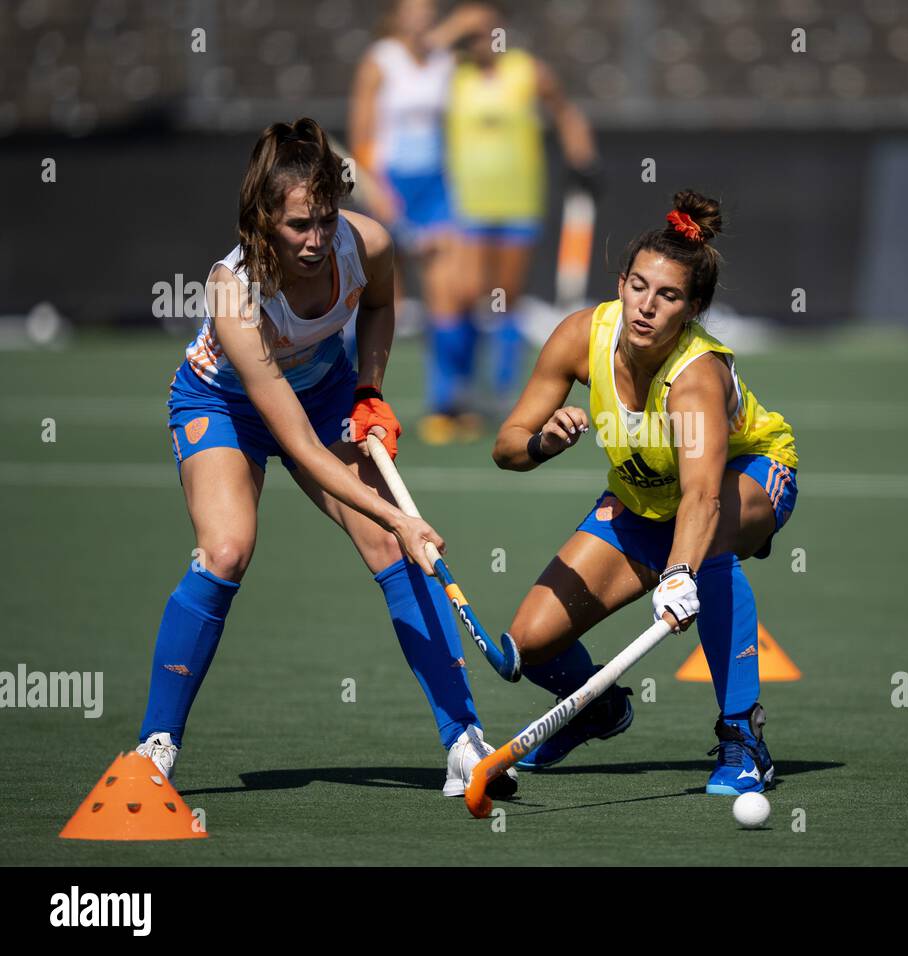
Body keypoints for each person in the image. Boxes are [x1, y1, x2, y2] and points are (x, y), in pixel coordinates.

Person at [136, 117, 515, 800]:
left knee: (390, 552)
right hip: (225, 404)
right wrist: (400, 515)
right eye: (298, 226)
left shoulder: (365, 242)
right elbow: (303, 449)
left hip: (325, 387)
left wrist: (370, 387)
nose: (315, 241)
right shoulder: (234, 292)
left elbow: (379, 305)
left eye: (324, 220)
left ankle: (463, 742)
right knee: (225, 551)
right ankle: (155, 746)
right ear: (262, 220)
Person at [490, 191, 798, 796]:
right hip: (645, 500)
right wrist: (541, 446)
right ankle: (596, 708)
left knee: (707, 551)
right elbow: (506, 445)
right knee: (529, 644)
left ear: (694, 307)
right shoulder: (582, 337)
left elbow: (704, 497)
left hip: (750, 478)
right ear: (621, 282)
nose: (646, 307)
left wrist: (678, 572)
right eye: (637, 286)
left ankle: (744, 737)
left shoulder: (695, 377)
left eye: (668, 296)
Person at [424, 0, 600, 444]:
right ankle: (454, 396)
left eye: (485, 30)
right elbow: (421, 50)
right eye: (470, 33)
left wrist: (581, 154)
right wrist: (457, 27)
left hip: (517, 204)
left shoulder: (526, 72)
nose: (477, 39)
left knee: (503, 300)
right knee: (461, 296)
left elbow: (565, 112)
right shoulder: (450, 76)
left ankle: (505, 395)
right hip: (467, 208)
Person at [347, 0, 474, 436]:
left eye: (428, 13)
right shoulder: (380, 60)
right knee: (376, 295)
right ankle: (342, 391)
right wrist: (377, 191)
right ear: (396, 17)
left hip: (436, 190)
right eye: (412, 13)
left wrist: (447, 33)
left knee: (447, 294)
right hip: (387, 186)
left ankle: (445, 404)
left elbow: (481, 19)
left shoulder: (446, 61)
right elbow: (360, 133)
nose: (420, 21)